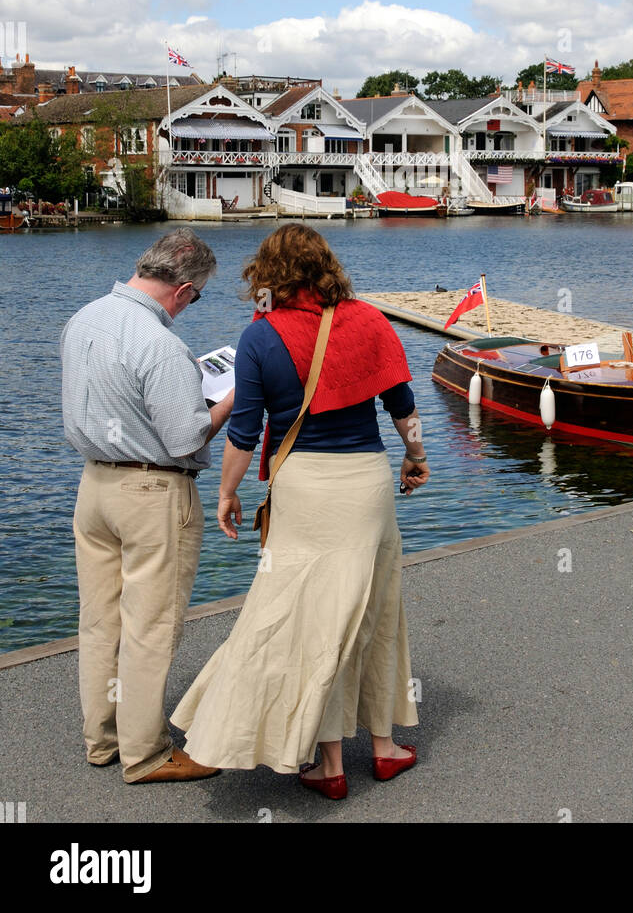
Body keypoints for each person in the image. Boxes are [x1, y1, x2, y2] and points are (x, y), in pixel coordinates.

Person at [171, 223, 429, 801]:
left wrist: (226, 493)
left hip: (304, 489)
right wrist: (416, 457)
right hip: (367, 484)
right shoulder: (369, 320)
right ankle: (384, 748)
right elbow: (404, 407)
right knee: (374, 610)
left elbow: (244, 431)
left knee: (308, 618)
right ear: (327, 267)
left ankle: (328, 763)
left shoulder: (261, 337)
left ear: (266, 274)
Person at [61, 228, 234, 784]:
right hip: (151, 493)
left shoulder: (83, 317)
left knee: (99, 621)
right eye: (198, 296)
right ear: (183, 290)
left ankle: (103, 739)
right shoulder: (160, 344)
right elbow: (186, 439)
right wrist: (233, 396)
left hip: (93, 487)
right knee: (150, 626)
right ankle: (147, 753)